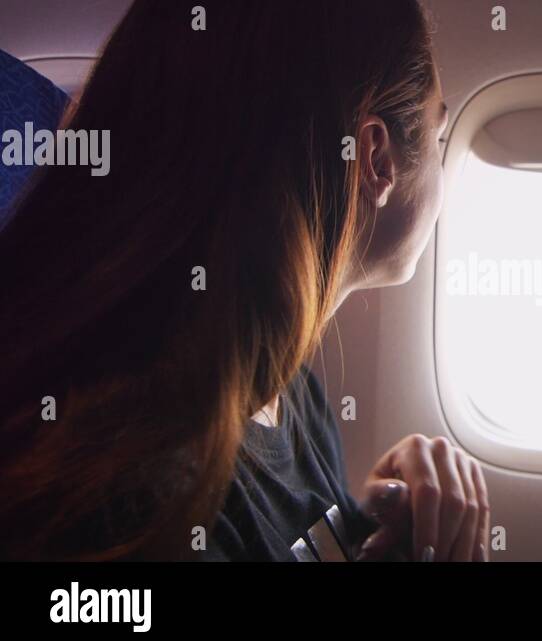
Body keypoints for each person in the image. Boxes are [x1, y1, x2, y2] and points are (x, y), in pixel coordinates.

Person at [0, 0, 490, 562]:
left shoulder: (290, 393)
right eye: (438, 132)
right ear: (375, 159)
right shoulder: (139, 501)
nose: (441, 160)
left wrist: (382, 522)